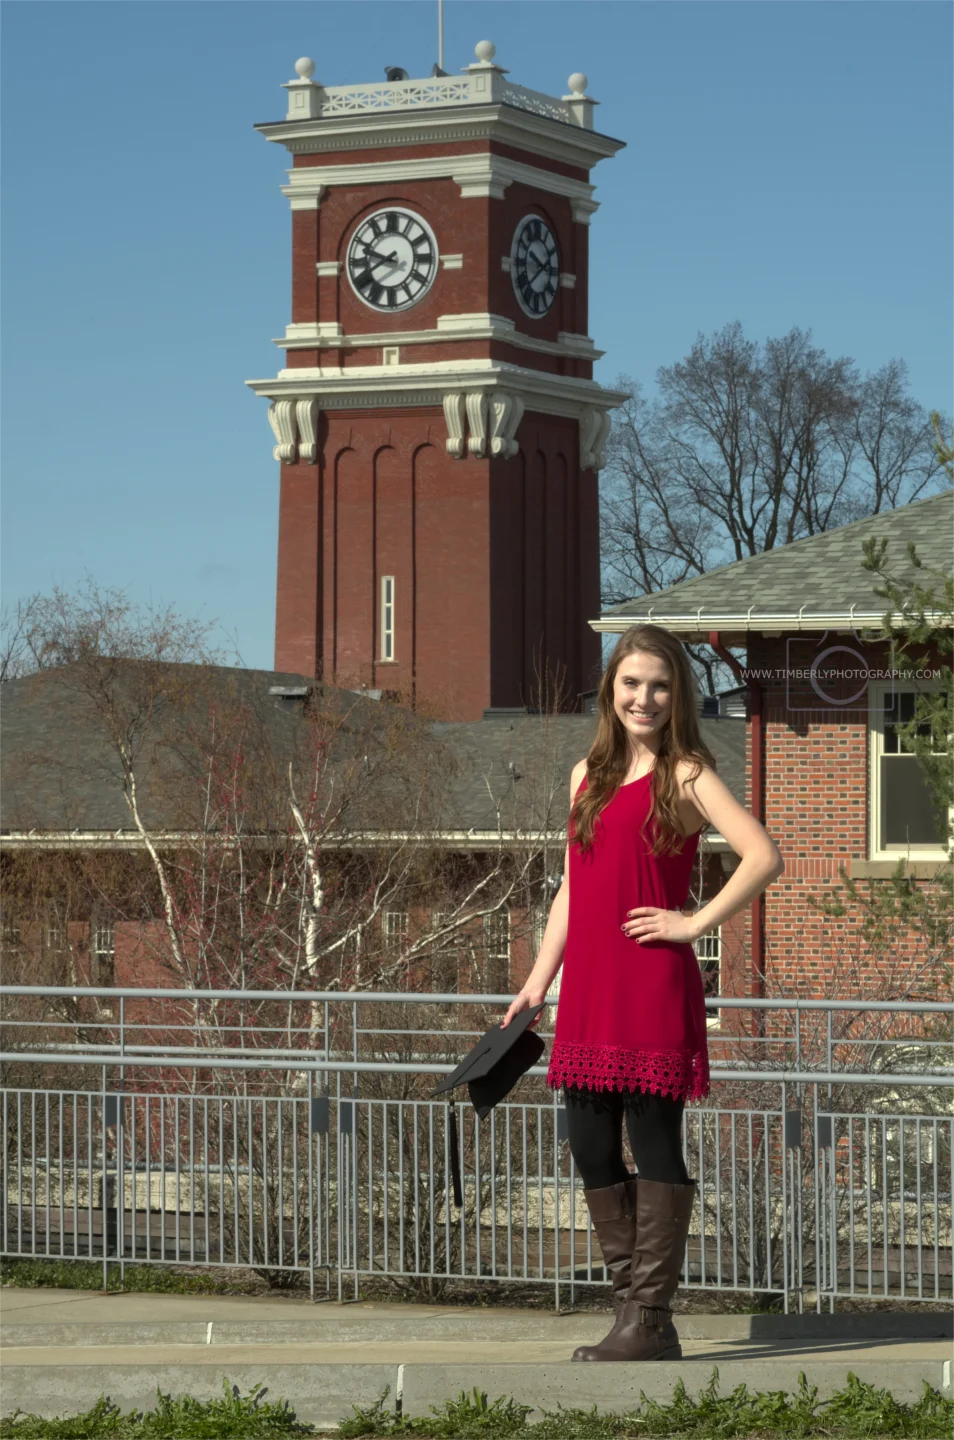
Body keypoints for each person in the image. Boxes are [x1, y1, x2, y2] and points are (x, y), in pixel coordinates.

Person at [501, 624, 784, 1362]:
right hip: (588, 988)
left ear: (676, 694)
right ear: (611, 689)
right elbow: (571, 888)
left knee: (654, 1139)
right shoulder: (583, 776)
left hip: (652, 979)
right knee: (590, 1146)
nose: (645, 697)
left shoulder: (686, 774)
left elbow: (763, 855)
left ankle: (647, 1318)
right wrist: (536, 983)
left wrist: (692, 922)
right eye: (632, 683)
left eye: (659, 685)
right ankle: (636, 1309)